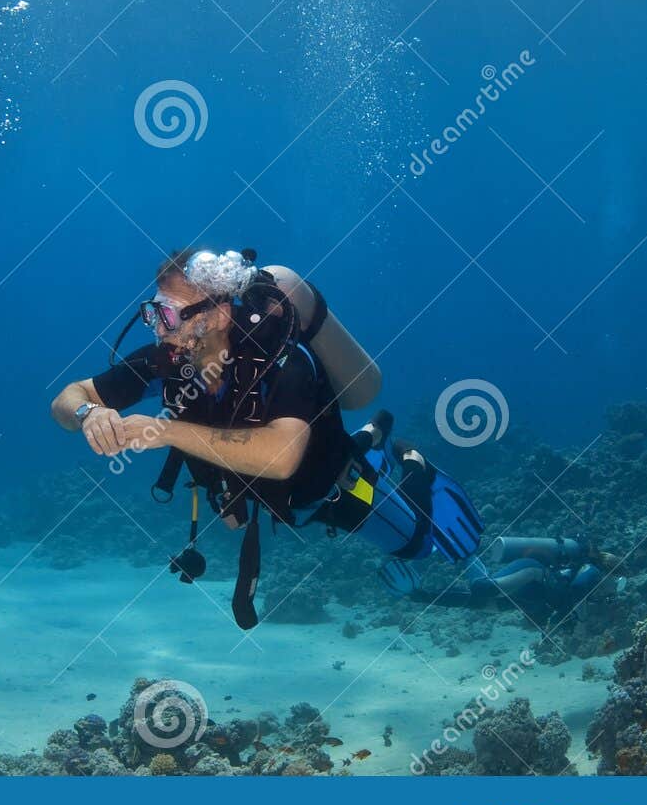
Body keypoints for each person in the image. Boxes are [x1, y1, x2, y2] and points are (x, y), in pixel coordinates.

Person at [51, 247, 482, 628]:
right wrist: (89, 413)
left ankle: (403, 462)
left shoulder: (279, 360)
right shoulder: (169, 360)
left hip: (330, 487)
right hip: (260, 498)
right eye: (152, 312)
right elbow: (67, 399)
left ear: (217, 314)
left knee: (418, 545)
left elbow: (282, 456)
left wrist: (164, 431)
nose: (158, 331)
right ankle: (373, 437)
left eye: (167, 316)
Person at [384, 536, 624, 620]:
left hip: (531, 597)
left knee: (476, 602)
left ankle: (420, 595)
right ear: (610, 573)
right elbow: (574, 595)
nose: (617, 587)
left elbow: (569, 606)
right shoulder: (594, 575)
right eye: (618, 581)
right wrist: (602, 602)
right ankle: (465, 551)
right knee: (483, 589)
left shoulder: (594, 583)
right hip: (532, 574)